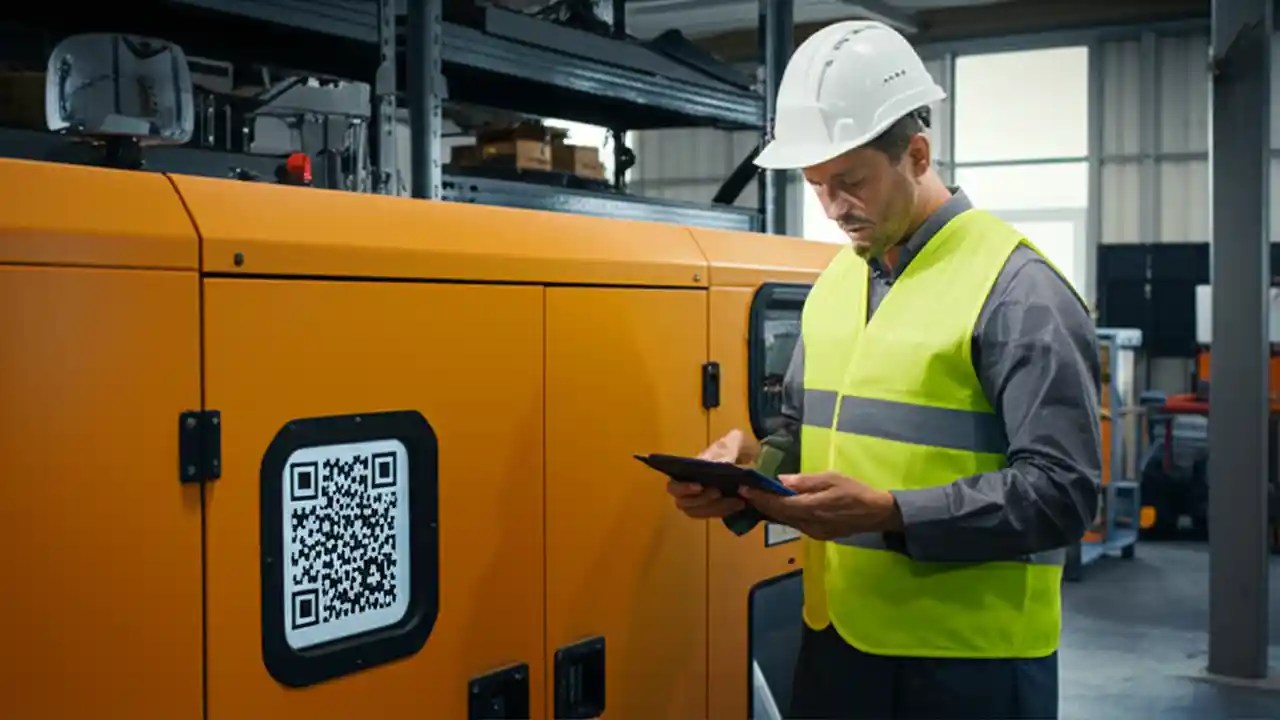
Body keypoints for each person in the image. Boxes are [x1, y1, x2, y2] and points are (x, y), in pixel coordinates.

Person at [666, 19, 1102, 720]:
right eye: (816, 185)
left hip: (971, 666)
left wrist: (895, 514)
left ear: (918, 154)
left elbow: (1064, 494)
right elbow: (810, 431)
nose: (834, 206)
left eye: (851, 181)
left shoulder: (1019, 291)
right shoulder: (837, 281)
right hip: (839, 643)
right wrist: (751, 471)